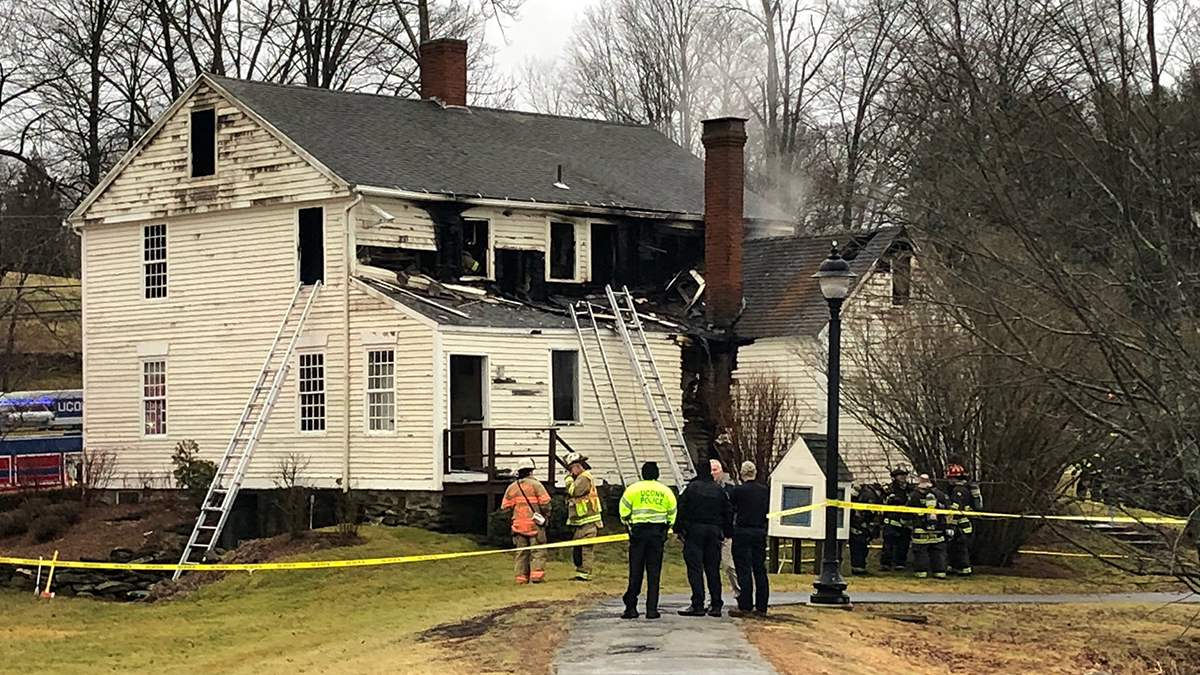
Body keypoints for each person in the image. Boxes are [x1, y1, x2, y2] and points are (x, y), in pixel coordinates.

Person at [618, 462, 678, 619]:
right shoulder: (665, 491)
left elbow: (623, 511)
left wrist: (628, 523)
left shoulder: (633, 489)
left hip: (638, 533)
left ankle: (631, 608)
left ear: (642, 474)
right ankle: (652, 609)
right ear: (657, 474)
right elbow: (672, 512)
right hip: (657, 533)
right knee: (654, 573)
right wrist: (667, 527)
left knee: (635, 571)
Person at [675, 458, 733, 617]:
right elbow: (728, 512)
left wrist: (679, 530)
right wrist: (727, 533)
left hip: (694, 532)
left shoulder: (691, 488)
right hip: (713, 532)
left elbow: (681, 509)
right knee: (712, 569)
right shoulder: (719, 490)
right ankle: (716, 604)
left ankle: (698, 604)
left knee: (695, 569)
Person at [499, 458, 552, 584]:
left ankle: (521, 579)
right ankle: (537, 577)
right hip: (534, 526)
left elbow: (505, 508)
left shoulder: (512, 488)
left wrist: (513, 518)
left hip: (518, 526)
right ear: (531, 471)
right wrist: (545, 516)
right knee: (538, 551)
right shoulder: (537, 485)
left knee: (521, 553)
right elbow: (545, 504)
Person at [729, 460, 770, 616]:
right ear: (755, 473)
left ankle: (745, 604)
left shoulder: (737, 491)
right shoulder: (764, 491)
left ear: (741, 473)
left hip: (742, 531)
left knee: (743, 568)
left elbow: (731, 510)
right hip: (759, 531)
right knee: (759, 568)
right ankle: (762, 605)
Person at [564, 452, 603, 580]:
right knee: (578, 549)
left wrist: (568, 480)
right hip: (581, 521)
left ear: (577, 466)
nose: (570, 472)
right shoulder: (580, 478)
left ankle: (585, 574)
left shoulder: (583, 478)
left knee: (585, 549)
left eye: (571, 469)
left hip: (589, 521)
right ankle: (581, 572)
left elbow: (574, 491)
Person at [907, 473, 950, 579]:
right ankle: (940, 572)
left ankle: (921, 572)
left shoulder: (914, 495)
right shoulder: (939, 494)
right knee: (938, 551)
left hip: (920, 528)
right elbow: (947, 507)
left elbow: (908, 511)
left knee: (921, 551)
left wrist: (906, 522)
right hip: (937, 528)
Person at [710, 458, 741, 600]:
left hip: (727, 534)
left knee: (729, 565)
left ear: (721, 471)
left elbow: (735, 511)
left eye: (715, 470)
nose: (713, 473)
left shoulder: (730, 490)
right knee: (711, 567)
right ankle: (712, 597)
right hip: (712, 534)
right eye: (710, 470)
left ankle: (740, 592)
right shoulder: (705, 490)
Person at [945, 463, 983, 576]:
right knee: (954, 547)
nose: (949, 480)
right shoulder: (965, 488)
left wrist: (950, 524)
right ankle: (955, 566)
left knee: (959, 547)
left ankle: (964, 568)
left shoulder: (958, 490)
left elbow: (955, 508)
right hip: (964, 523)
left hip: (961, 524)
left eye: (950, 477)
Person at [880, 465, 912, 571]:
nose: (902, 477)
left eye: (904, 475)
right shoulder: (890, 489)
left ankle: (900, 563)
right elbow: (883, 503)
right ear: (895, 477)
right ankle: (886, 563)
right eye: (899, 475)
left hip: (905, 521)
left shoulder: (910, 489)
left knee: (904, 544)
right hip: (891, 521)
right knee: (888, 544)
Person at [849, 482, 883, 575]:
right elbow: (867, 514)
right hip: (859, 527)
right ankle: (858, 568)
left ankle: (858, 567)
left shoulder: (865, 493)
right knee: (859, 547)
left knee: (860, 547)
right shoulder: (870, 496)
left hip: (858, 526)